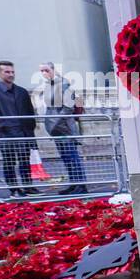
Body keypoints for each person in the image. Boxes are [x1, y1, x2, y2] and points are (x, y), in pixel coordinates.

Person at [0, 60, 39, 197]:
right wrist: (8, 128)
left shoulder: (22, 92)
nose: (11, 74)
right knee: (9, 162)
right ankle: (14, 189)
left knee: (25, 161)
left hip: (24, 133)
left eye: (12, 72)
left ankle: (28, 186)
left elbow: (30, 113)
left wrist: (30, 132)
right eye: (7, 72)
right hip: (6, 134)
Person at [36, 62, 87, 194]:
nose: (44, 73)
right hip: (56, 129)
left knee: (72, 157)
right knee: (66, 158)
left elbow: (68, 108)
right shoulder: (49, 86)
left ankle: (81, 186)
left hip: (65, 128)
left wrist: (55, 122)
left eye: (46, 70)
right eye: (41, 71)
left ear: (53, 70)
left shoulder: (64, 84)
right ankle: (74, 184)